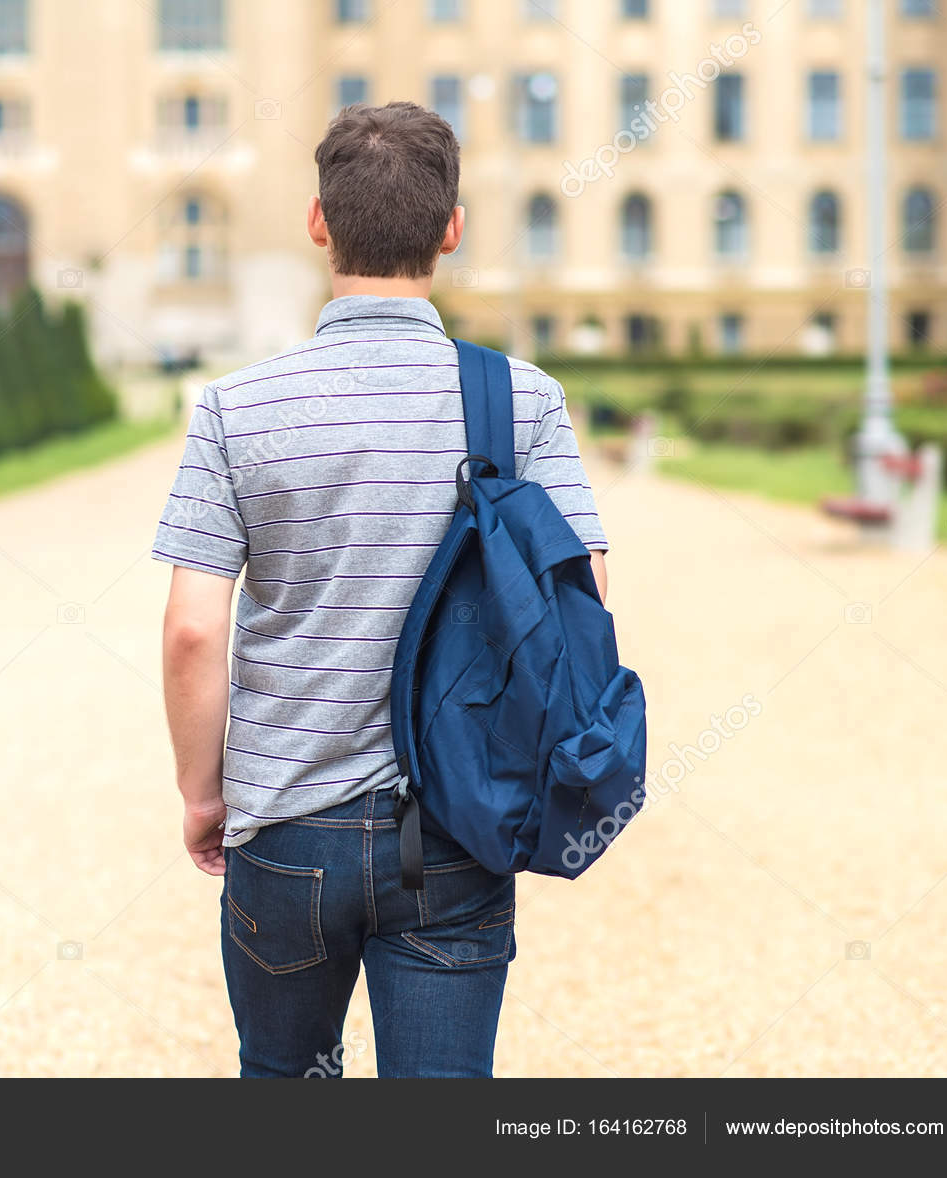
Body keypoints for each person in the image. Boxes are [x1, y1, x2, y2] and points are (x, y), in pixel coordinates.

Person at [151, 101, 609, 1078]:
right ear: (450, 229)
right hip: (456, 820)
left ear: (319, 222)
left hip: (283, 826)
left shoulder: (236, 409)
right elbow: (584, 599)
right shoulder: (519, 400)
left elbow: (193, 631)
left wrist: (204, 793)